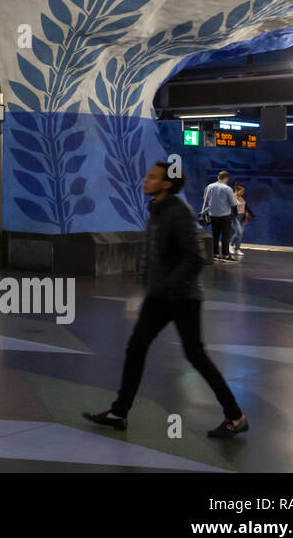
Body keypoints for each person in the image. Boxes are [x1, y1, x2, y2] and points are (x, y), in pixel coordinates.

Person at [84, 161, 248, 438]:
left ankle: (235, 415)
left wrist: (169, 285)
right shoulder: (158, 210)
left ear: (167, 183)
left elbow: (195, 257)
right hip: (160, 296)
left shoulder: (178, 212)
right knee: (136, 348)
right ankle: (119, 412)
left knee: (195, 355)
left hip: (182, 297)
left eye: (153, 177)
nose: (146, 180)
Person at [201, 170, 238, 261]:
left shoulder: (209, 186)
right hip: (225, 215)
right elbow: (233, 203)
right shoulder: (227, 189)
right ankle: (225, 255)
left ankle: (215, 254)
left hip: (213, 215)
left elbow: (205, 198)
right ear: (226, 178)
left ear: (218, 177)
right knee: (225, 236)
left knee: (215, 235)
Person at [230, 182, 254, 260]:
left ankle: (236, 248)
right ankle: (233, 246)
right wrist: (233, 219)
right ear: (237, 190)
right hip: (235, 217)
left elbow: (246, 207)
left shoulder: (241, 198)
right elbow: (231, 210)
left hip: (242, 218)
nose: (243, 192)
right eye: (242, 191)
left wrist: (252, 215)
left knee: (239, 234)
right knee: (239, 232)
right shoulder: (232, 198)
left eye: (244, 191)